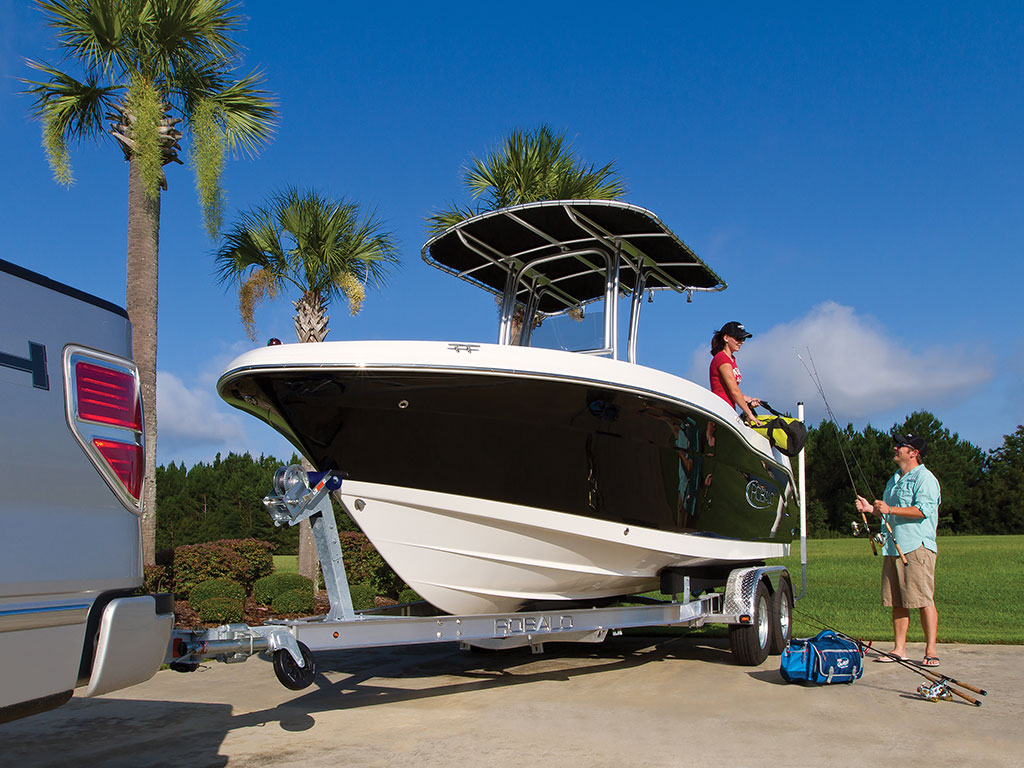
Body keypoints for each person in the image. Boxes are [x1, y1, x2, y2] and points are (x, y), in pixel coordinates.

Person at [855, 434, 942, 667]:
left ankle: (931, 650)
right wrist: (870, 509)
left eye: (901, 446)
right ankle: (899, 649)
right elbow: (885, 512)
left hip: (916, 547)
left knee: (923, 599)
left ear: (913, 453)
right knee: (897, 600)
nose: (896, 448)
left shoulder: (925, 478)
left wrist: (890, 508)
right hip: (893, 547)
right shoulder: (894, 479)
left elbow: (923, 511)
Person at [708, 321, 762, 426]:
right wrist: (749, 413)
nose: (742, 342)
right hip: (720, 410)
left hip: (729, 410)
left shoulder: (732, 359)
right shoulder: (721, 358)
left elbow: (729, 390)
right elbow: (734, 391)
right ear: (726, 338)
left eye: (743, 339)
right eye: (738, 339)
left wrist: (748, 399)